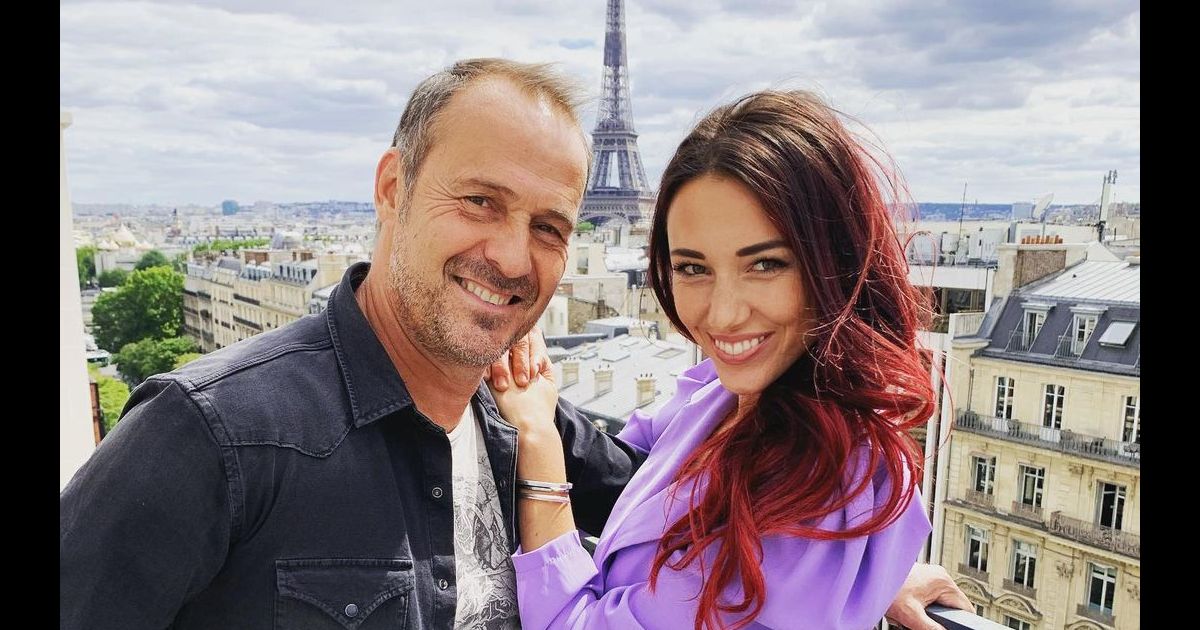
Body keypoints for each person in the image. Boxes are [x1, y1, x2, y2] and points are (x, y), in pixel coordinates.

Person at [61, 58, 965, 630]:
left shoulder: (513, 428)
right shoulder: (213, 435)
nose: (509, 254)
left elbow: (698, 499)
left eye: (549, 224)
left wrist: (856, 569)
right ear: (391, 187)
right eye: (480, 201)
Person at [489, 89, 965, 630]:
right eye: (693, 268)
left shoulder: (825, 484)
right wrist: (864, 581)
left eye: (764, 264)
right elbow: (635, 468)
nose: (724, 314)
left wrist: (538, 448)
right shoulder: (726, 395)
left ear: (833, 263)